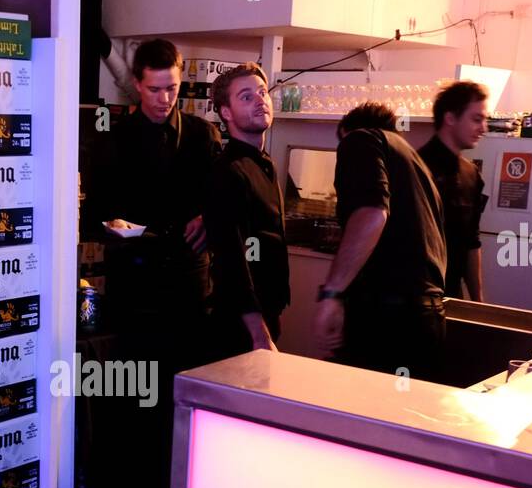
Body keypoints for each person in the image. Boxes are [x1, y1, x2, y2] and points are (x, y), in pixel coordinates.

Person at [80, 38, 222, 488]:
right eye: (154, 88)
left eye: (173, 88)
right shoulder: (112, 139)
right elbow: (92, 220)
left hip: (191, 296)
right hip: (136, 294)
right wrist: (116, 230)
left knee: (184, 428)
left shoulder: (205, 138)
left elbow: (224, 199)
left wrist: (211, 219)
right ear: (135, 85)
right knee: (139, 425)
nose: (165, 98)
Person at [315, 102, 449, 381]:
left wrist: (332, 293)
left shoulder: (360, 138)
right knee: (402, 418)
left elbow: (372, 213)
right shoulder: (414, 161)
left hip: (388, 318)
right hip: (427, 318)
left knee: (359, 415)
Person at [203, 62, 290, 357]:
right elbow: (231, 262)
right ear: (226, 113)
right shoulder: (229, 171)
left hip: (267, 315)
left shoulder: (265, 164)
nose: (260, 101)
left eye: (262, 92)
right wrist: (259, 335)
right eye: (246, 96)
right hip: (240, 327)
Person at [418, 81, 489, 301]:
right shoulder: (417, 167)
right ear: (450, 118)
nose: (483, 128)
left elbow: (472, 241)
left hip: (452, 296)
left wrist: (478, 302)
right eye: (476, 119)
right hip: (416, 299)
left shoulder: (472, 174)